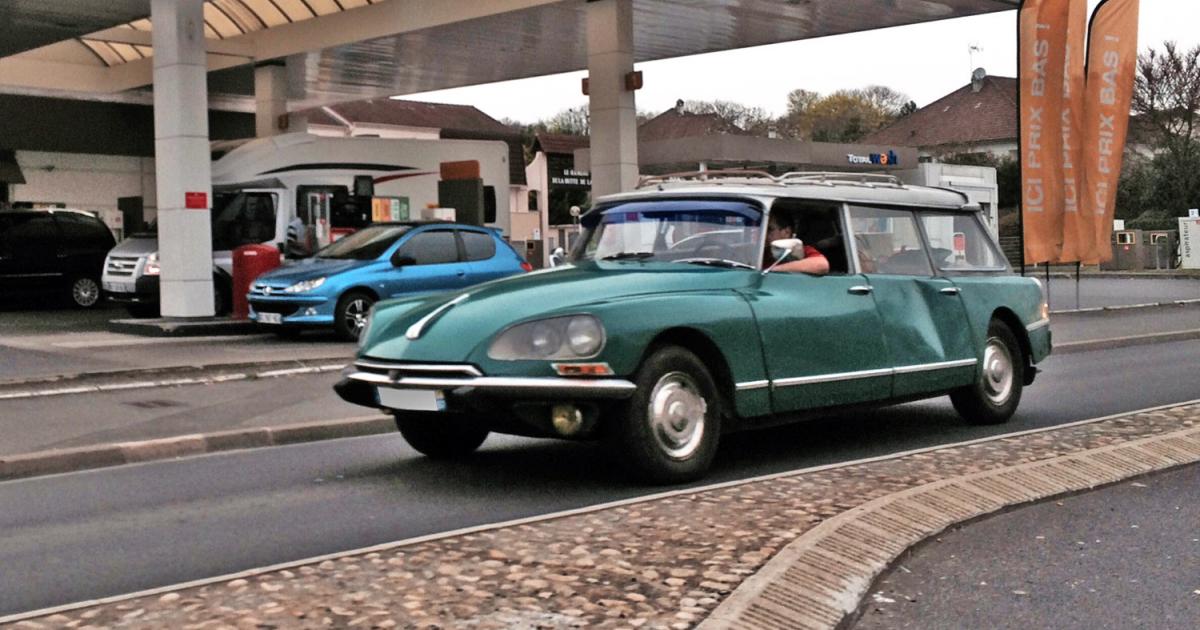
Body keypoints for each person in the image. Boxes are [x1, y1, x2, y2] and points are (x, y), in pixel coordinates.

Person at [764, 217, 830, 275]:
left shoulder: (799, 249)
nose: (764, 233)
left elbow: (822, 265)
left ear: (787, 232)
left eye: (769, 229)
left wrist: (772, 270)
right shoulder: (762, 252)